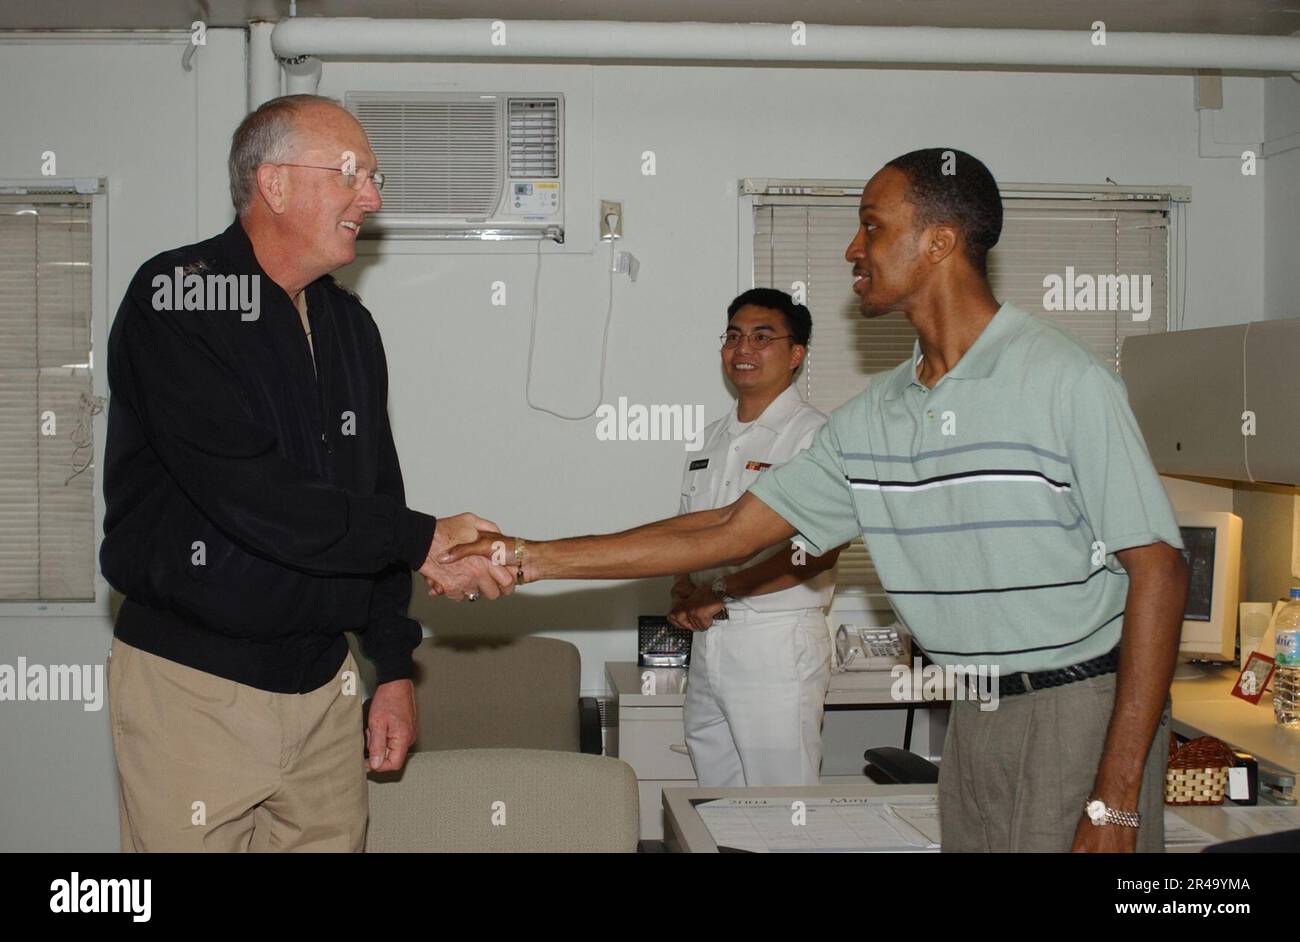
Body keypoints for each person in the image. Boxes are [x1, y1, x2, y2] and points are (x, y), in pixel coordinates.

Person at [443, 148, 1189, 853]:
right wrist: (527, 556)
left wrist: (1117, 793)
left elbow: (1160, 569)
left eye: (873, 225)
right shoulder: (877, 416)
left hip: (1081, 704)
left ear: (939, 241)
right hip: (976, 710)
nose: (851, 250)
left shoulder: (1063, 380)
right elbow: (732, 528)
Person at [100, 94, 514, 852]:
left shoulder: (349, 325)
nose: (375, 197)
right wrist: (425, 540)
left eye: (375, 177)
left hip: (326, 691)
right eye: (352, 173)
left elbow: (370, 499)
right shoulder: (177, 298)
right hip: (195, 689)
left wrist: (392, 667)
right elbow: (250, 494)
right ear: (274, 183)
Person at [670, 288, 842, 787]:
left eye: (762, 337)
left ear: (795, 355)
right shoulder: (710, 438)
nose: (743, 349)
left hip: (775, 641)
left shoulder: (814, 437)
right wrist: (683, 587)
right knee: (717, 801)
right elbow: (691, 530)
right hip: (709, 638)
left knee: (783, 803)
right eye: (734, 336)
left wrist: (721, 590)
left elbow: (814, 551)